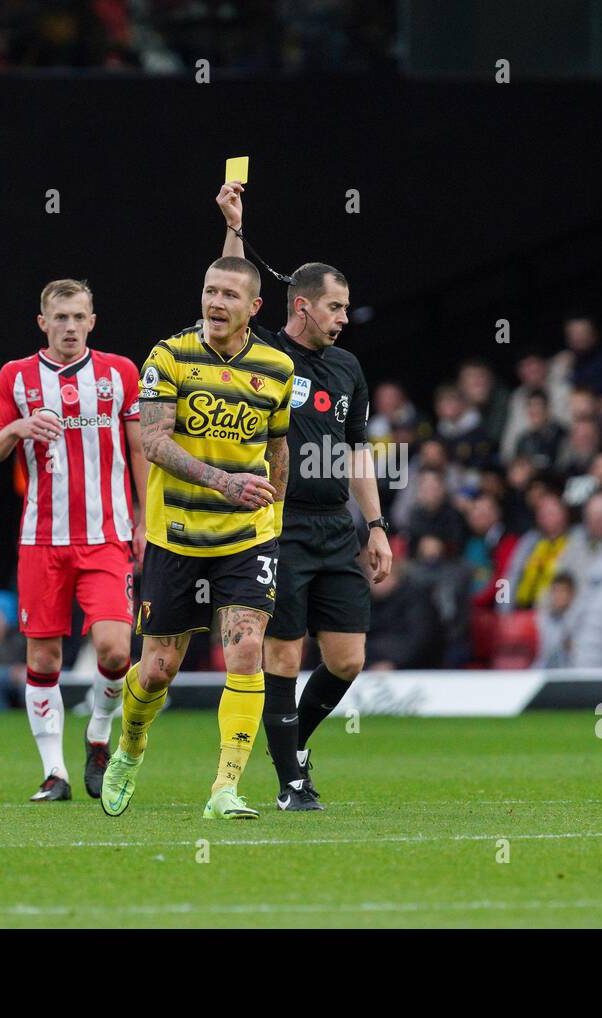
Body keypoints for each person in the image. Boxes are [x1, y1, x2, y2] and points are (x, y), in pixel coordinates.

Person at [216, 180, 394, 811]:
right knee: (284, 654)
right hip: (275, 524)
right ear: (301, 307)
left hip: (333, 527)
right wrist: (235, 224)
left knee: (347, 658)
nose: (344, 317)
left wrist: (376, 526)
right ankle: (294, 782)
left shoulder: (348, 368)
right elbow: (230, 293)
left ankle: (289, 747)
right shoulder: (260, 354)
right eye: (337, 307)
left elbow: (357, 450)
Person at [100, 255, 294, 821]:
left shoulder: (278, 368)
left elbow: (278, 451)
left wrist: (273, 518)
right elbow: (153, 443)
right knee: (158, 667)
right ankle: (131, 745)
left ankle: (225, 789)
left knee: (246, 649)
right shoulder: (168, 356)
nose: (215, 303)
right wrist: (224, 483)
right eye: (210, 291)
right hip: (176, 534)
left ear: (254, 308)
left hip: (246, 536)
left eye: (230, 295)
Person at [0, 279, 147, 802]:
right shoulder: (17, 377)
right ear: (43, 323)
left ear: (92, 321)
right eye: (60, 318)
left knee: (116, 650)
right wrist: (18, 428)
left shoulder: (120, 373)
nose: (70, 327)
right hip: (41, 540)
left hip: (108, 535)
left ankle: (98, 733)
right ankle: (55, 773)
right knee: (45, 658)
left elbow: (139, 448)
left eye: (79, 317)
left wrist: (144, 518)